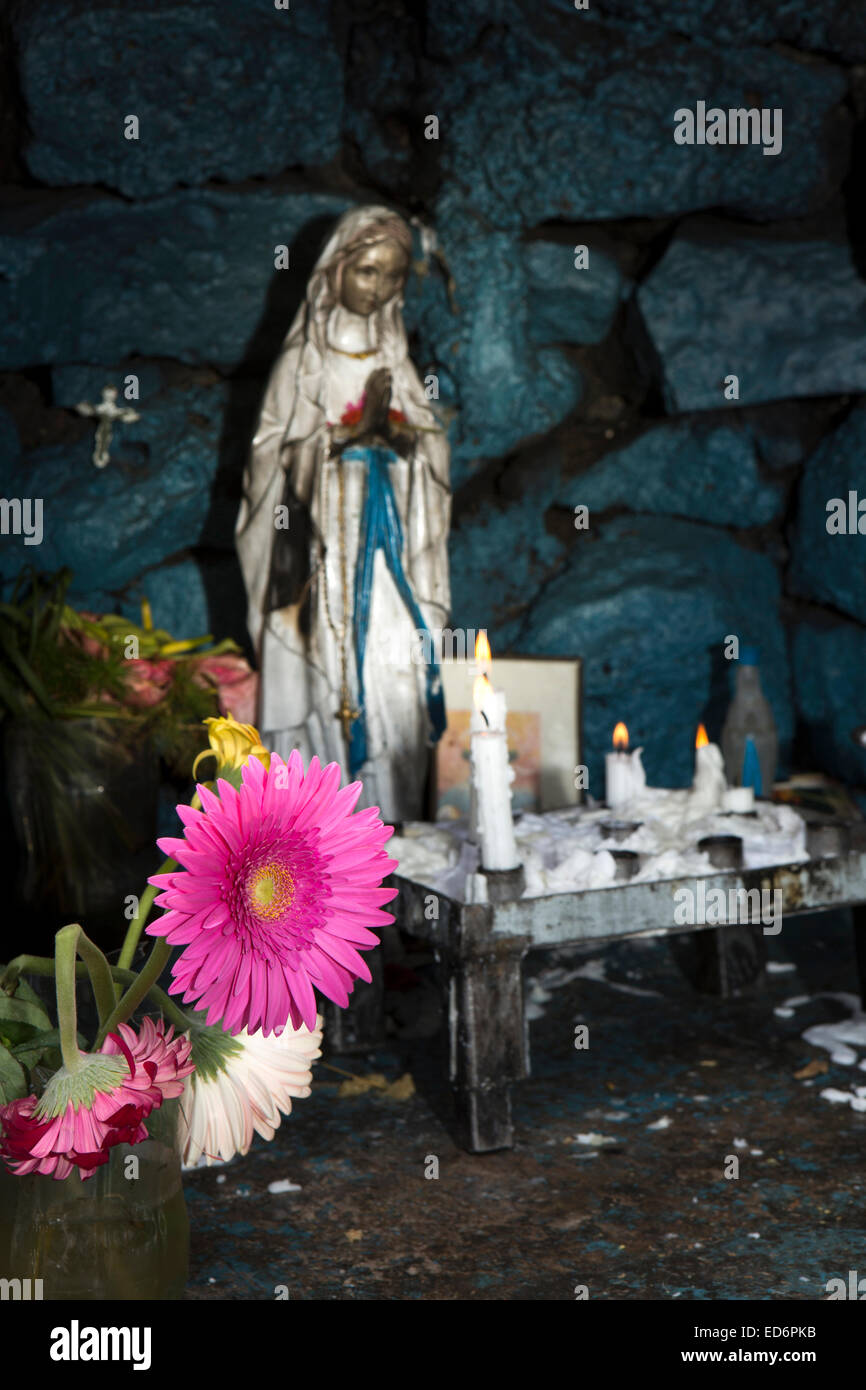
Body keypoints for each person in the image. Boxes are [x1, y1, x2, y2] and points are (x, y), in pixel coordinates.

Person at [235, 206, 451, 822]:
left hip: (388, 555)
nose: (377, 287)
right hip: (320, 557)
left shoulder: (396, 359)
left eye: (392, 275)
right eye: (365, 271)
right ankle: (330, 832)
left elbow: (432, 447)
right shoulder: (303, 363)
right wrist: (335, 445)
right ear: (334, 271)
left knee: (397, 668)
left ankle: (396, 823)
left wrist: (406, 439)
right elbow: (266, 461)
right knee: (330, 680)